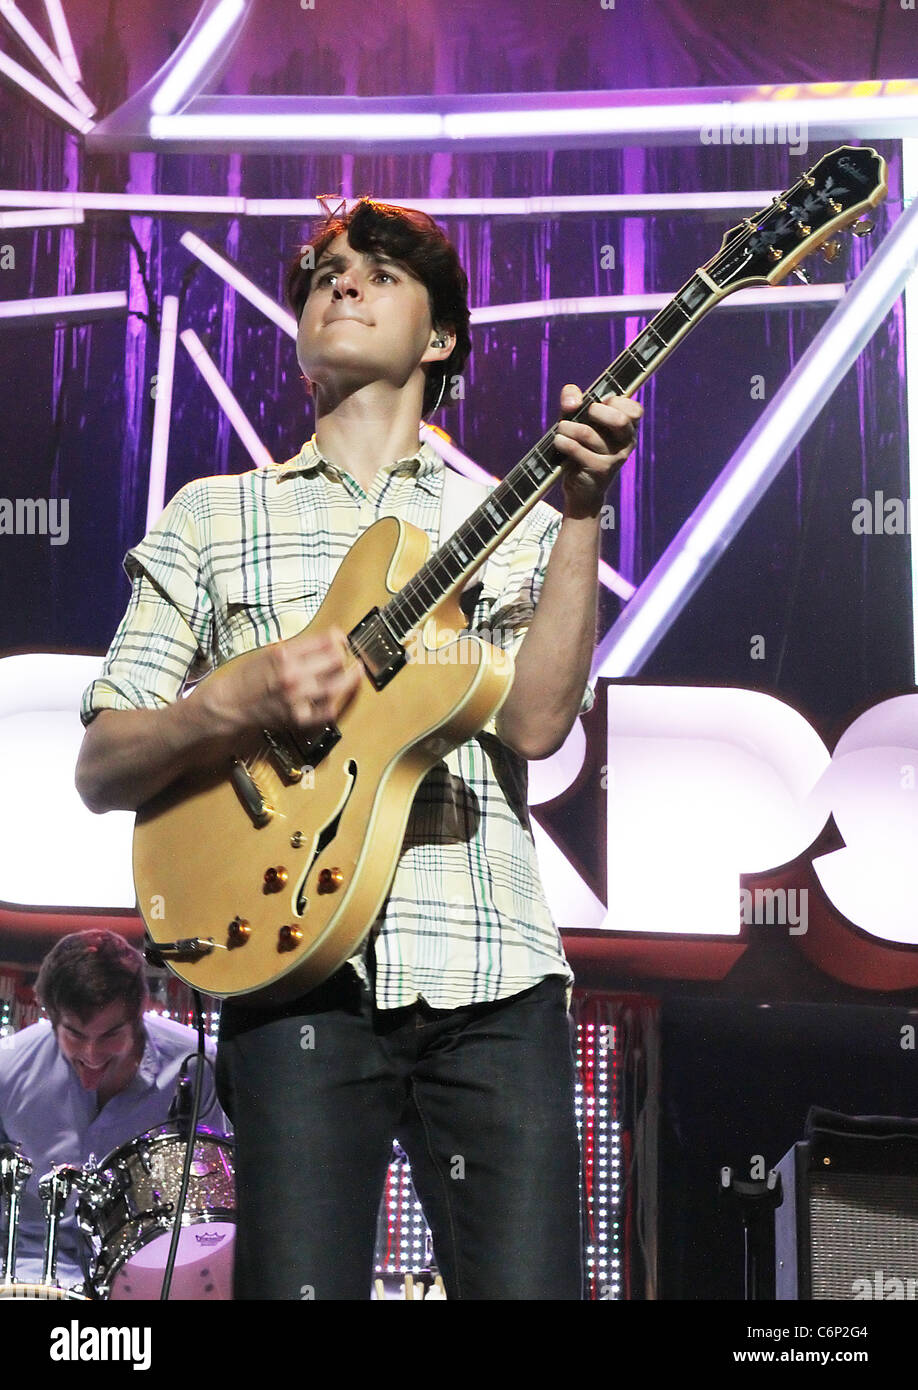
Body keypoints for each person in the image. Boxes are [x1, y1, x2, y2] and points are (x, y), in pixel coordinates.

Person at [74, 197, 641, 1299]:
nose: (343, 282)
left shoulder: (508, 516)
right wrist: (225, 702)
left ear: (439, 340)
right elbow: (103, 763)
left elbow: (532, 724)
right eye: (328, 271)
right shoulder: (212, 515)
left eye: (380, 272)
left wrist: (580, 510)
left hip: (486, 969)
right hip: (289, 977)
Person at [0, 929, 224, 1292]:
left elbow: (213, 1189)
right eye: (74, 1033)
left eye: (109, 1035)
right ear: (52, 1019)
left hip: (150, 1270)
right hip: (25, 1268)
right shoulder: (7, 1067)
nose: (91, 1055)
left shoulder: (197, 1062)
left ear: (139, 1015)